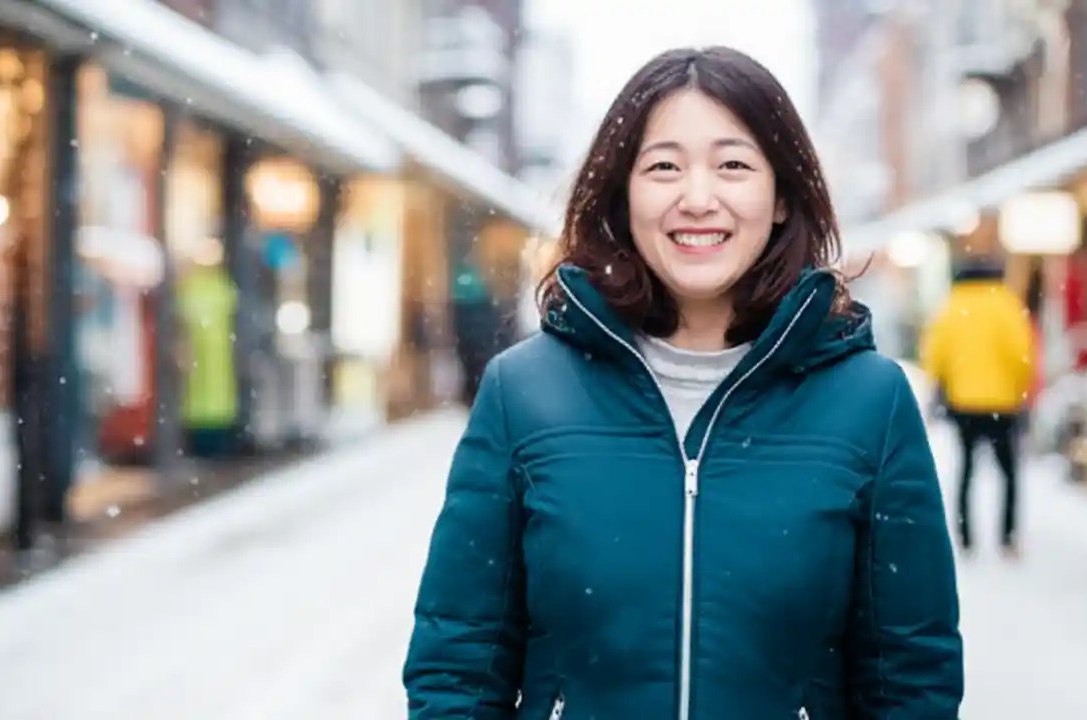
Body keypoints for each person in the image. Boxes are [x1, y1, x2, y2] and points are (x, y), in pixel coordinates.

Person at [403, 47, 963, 719]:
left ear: (782, 197)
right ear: (623, 196)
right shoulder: (523, 394)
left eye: (733, 166)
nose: (698, 200)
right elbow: (459, 663)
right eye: (664, 167)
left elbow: (910, 678)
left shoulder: (869, 403)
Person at [921, 257, 1034, 557]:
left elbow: (935, 353)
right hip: (1002, 403)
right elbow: (1021, 353)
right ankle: (1007, 537)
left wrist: (941, 383)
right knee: (1008, 472)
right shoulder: (1007, 305)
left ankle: (965, 536)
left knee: (966, 468)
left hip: (964, 401)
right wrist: (1019, 389)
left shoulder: (953, 306)